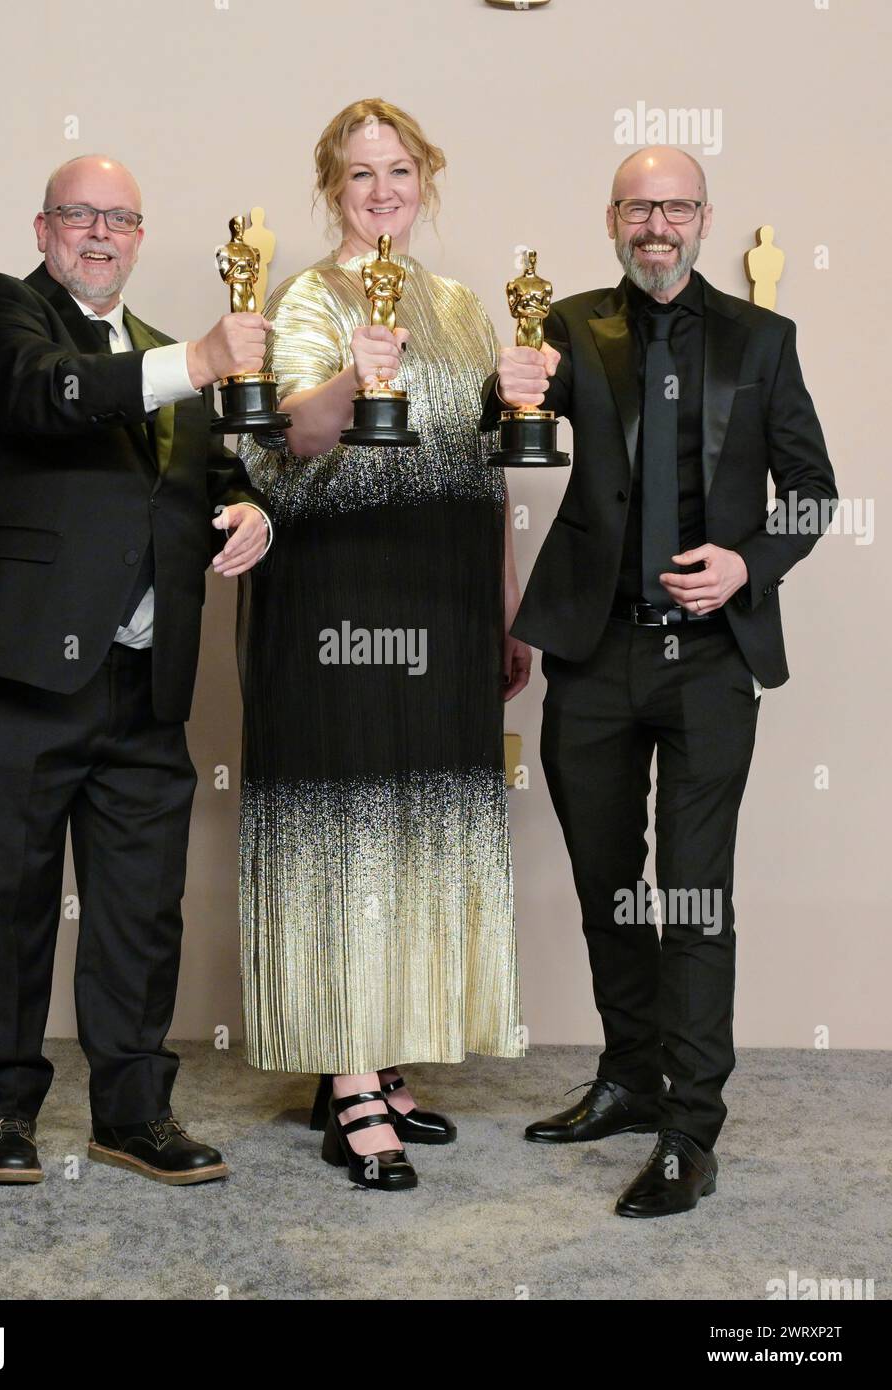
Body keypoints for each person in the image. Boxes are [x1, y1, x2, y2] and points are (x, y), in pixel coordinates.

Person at [482, 146, 837, 1217]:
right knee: (605, 883)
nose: (658, 224)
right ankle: (630, 1076)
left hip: (712, 657)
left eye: (676, 206)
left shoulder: (760, 340)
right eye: (640, 207)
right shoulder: (566, 323)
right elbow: (495, 436)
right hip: (594, 652)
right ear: (611, 219)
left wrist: (747, 564)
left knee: (691, 894)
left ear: (703, 218)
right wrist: (501, 396)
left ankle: (690, 1126)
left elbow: (814, 492)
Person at [0, 154, 273, 1186]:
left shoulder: (169, 356)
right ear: (42, 228)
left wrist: (250, 509)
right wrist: (196, 361)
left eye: (120, 218)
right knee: (10, 900)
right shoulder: (3, 315)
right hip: (15, 676)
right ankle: (7, 1115)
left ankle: (132, 1114)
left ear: (141, 236)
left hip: (144, 686)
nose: (100, 233)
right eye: (79, 215)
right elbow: (44, 397)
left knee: (141, 910)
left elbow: (215, 477)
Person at [236, 99, 530, 1191]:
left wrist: (504, 607)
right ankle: (348, 1079)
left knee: (418, 818)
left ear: (425, 176)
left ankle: (383, 1052)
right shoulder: (304, 295)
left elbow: (485, 466)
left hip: (446, 600)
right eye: (358, 176)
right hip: (338, 603)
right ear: (332, 188)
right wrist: (351, 378)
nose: (380, 190)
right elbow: (284, 440)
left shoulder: (460, 308)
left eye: (397, 169)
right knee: (350, 824)